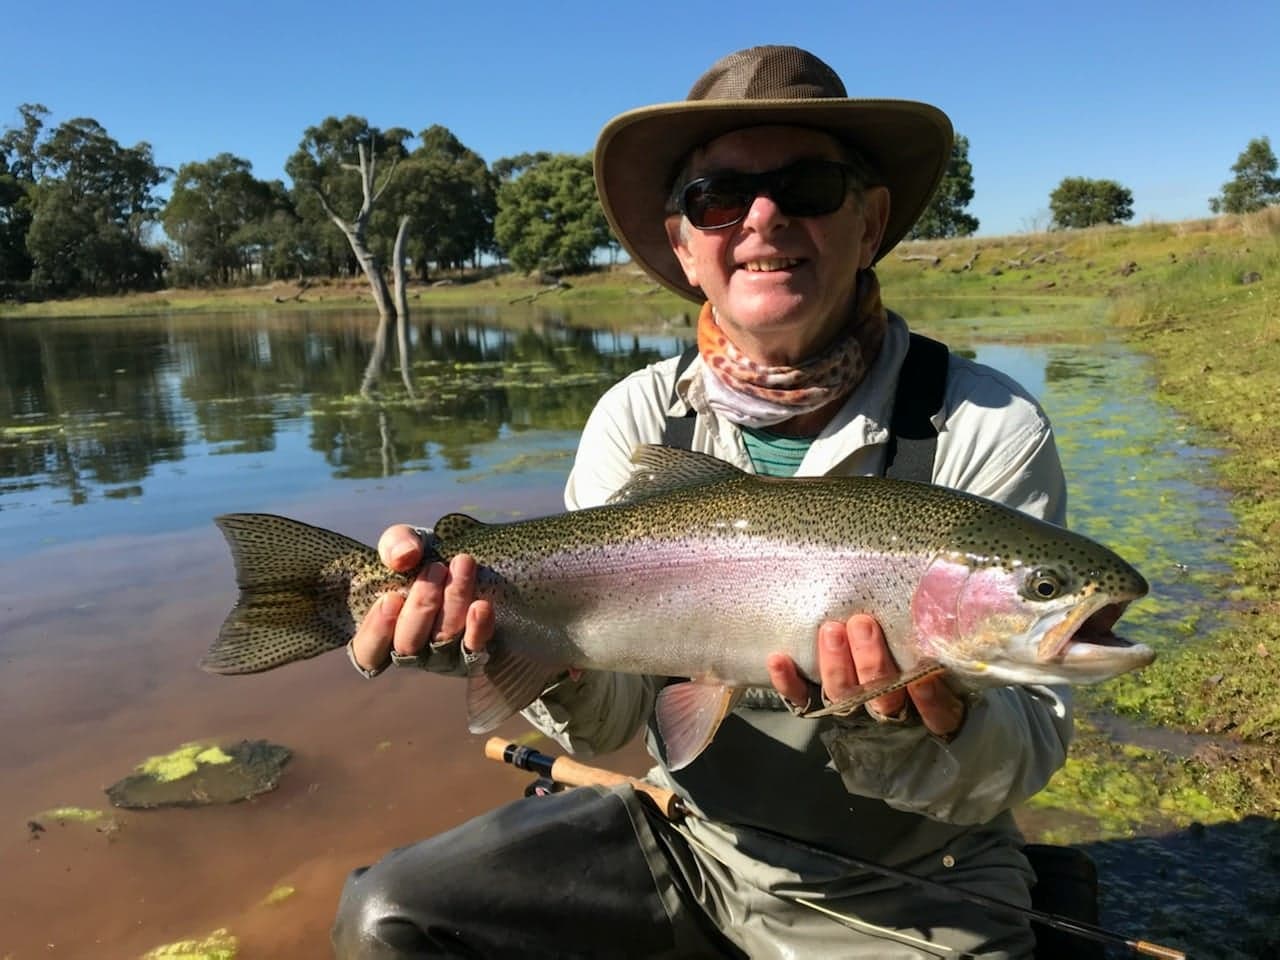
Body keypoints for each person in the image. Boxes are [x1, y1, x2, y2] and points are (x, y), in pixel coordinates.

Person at [332, 45, 1072, 959]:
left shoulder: (986, 424)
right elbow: (608, 723)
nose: (763, 218)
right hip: (689, 840)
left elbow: (1026, 755)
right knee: (389, 914)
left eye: (809, 186)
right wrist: (493, 638)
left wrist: (927, 716)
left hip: (920, 883)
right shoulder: (634, 414)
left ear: (870, 220)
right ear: (684, 243)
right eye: (719, 198)